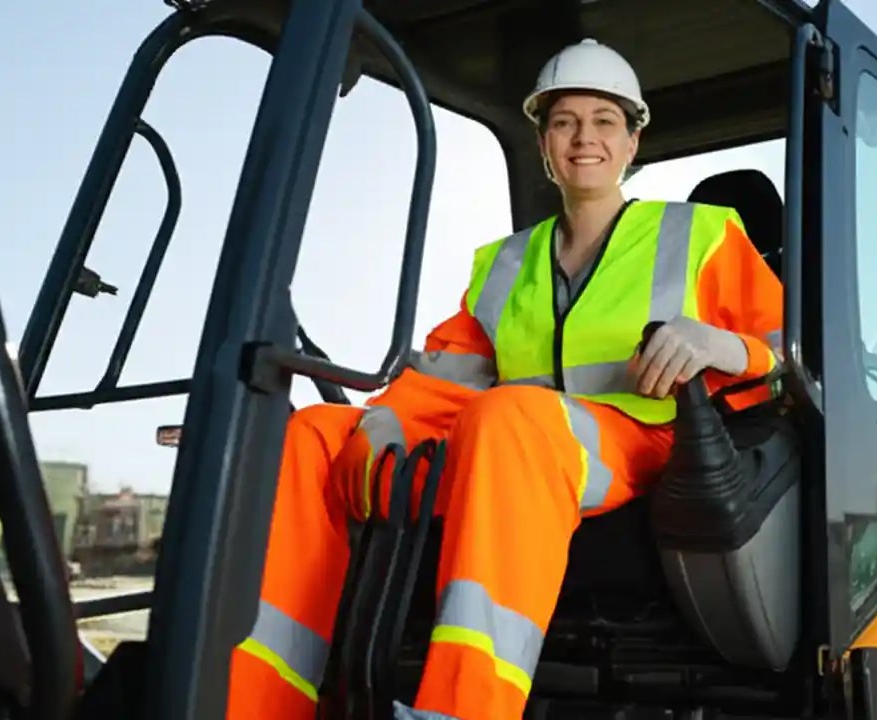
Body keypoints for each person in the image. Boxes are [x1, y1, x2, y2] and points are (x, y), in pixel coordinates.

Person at [225, 38, 784, 720]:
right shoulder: (505, 262)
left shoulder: (702, 232)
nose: (585, 138)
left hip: (647, 440)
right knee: (313, 434)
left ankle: (463, 709)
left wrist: (724, 344)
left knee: (510, 416)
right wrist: (385, 422)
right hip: (518, 443)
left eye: (605, 121)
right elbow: (448, 376)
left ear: (633, 141)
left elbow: (790, 352)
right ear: (545, 142)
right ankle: (261, 702)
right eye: (565, 122)